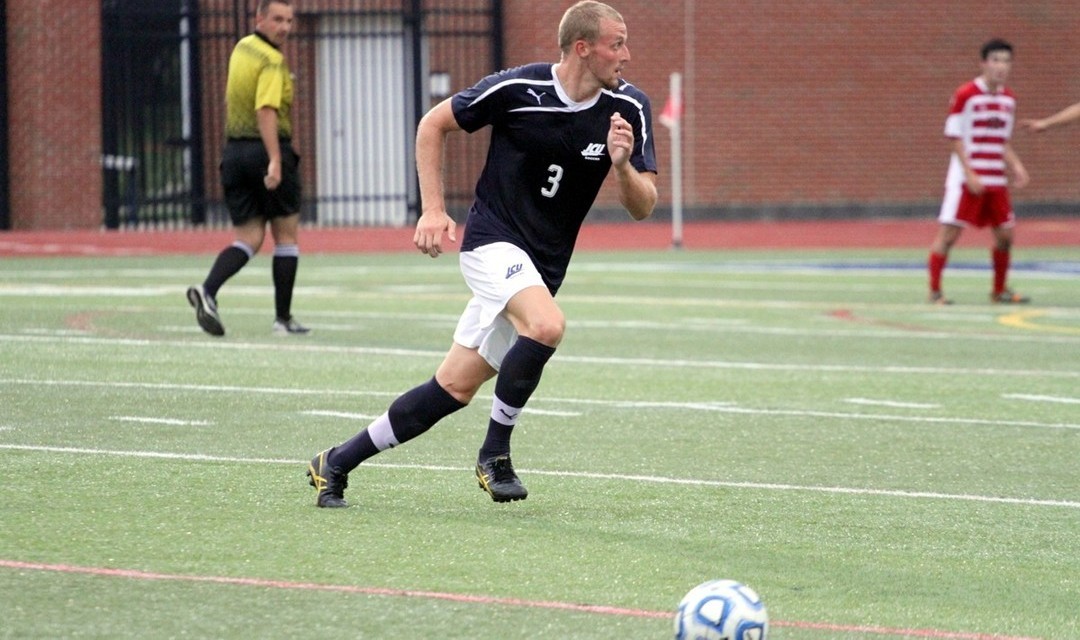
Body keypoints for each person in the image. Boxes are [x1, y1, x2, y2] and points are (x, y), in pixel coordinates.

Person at [306, 0, 658, 508]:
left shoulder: (630, 108)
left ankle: (335, 462)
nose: (626, 54)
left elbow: (643, 206)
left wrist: (622, 165)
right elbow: (433, 124)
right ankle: (494, 454)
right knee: (547, 326)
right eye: (616, 43)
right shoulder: (517, 89)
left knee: (452, 387)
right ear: (583, 48)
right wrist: (432, 209)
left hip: (542, 268)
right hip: (491, 242)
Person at [187, 0, 309, 337]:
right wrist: (274, 159)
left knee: (249, 238)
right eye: (277, 19)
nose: (284, 27)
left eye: (289, 21)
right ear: (260, 18)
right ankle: (282, 320)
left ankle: (208, 291)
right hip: (267, 150)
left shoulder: (241, 48)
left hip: (234, 152)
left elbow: (232, 99)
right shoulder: (272, 61)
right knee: (286, 237)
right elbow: (266, 109)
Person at [927, 38, 1031, 306]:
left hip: (995, 176)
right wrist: (969, 172)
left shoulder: (1009, 99)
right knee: (949, 235)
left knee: (1006, 235)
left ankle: (999, 290)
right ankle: (935, 291)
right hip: (967, 177)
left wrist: (1016, 165)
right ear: (984, 63)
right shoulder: (966, 94)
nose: (1001, 67)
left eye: (1006, 61)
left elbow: (1002, 141)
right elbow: (954, 136)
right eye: (995, 60)